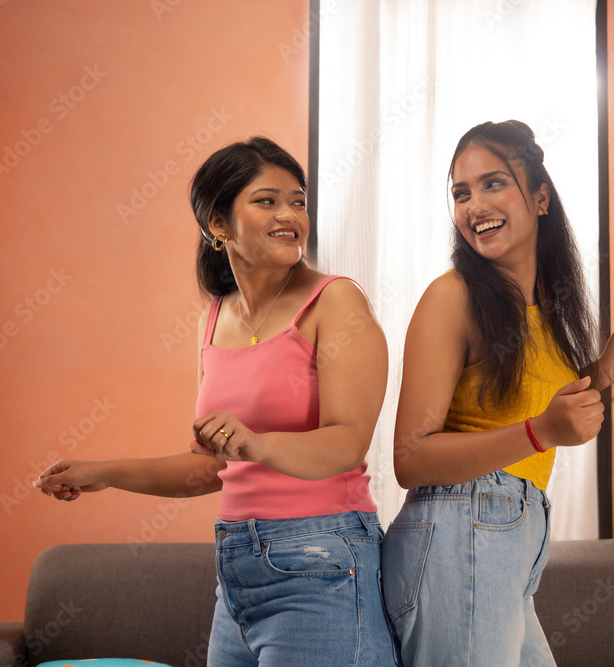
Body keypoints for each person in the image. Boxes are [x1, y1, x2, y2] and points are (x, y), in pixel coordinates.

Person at [36, 137, 400, 667]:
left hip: (321, 559)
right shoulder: (214, 319)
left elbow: (347, 442)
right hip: (236, 568)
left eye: (297, 201)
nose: (290, 215)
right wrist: (105, 472)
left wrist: (255, 442)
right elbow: (212, 470)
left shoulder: (335, 300)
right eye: (267, 200)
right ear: (219, 224)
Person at [380, 120, 614, 666]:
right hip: (460, 537)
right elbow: (410, 458)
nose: (474, 204)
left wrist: (602, 373)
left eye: (493, 184)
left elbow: (535, 406)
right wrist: (541, 432)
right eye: (461, 192)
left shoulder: (546, 312)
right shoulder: (452, 297)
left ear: (540, 198)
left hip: (509, 544)